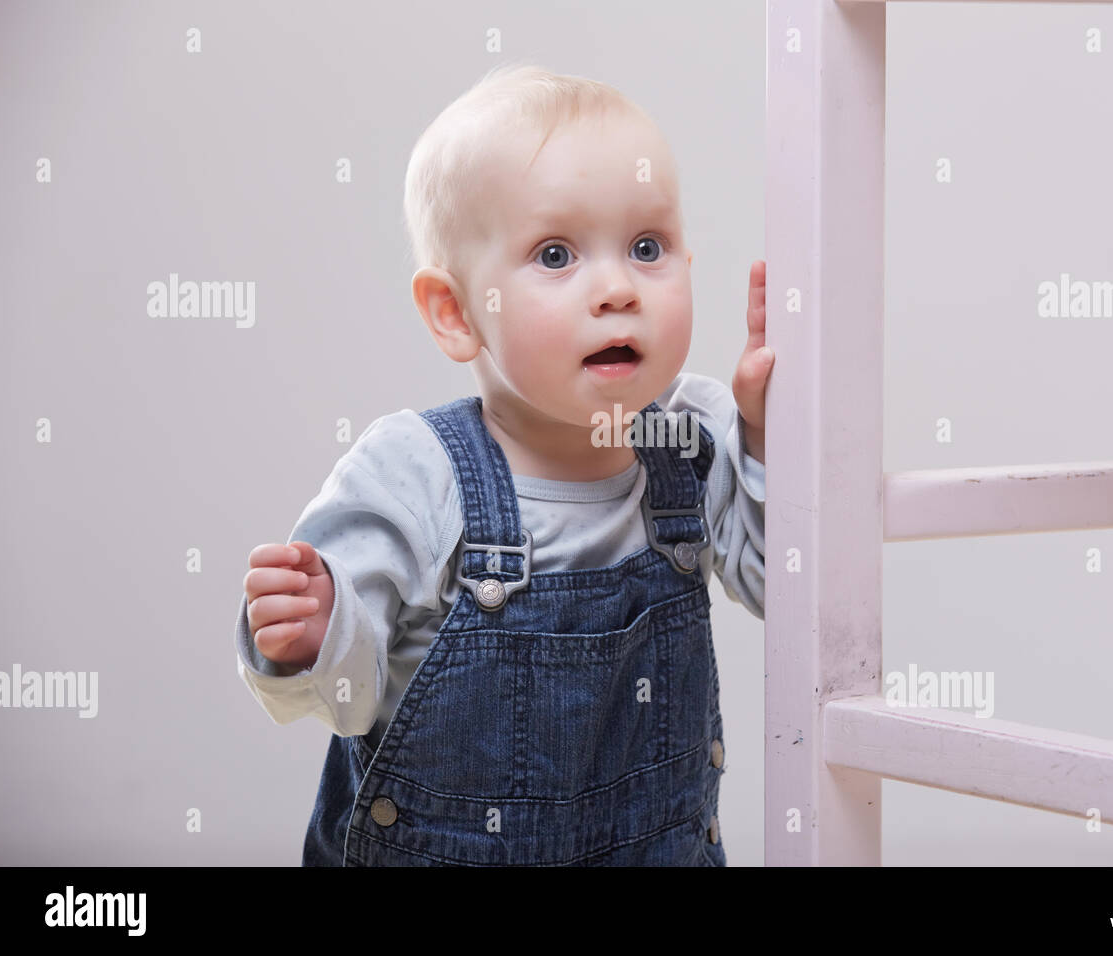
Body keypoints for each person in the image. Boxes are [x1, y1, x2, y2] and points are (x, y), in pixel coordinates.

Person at [233, 63, 774, 866]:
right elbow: (345, 703)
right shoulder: (419, 473)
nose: (618, 287)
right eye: (556, 255)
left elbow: (779, 587)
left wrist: (766, 437)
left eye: (647, 246)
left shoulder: (690, 438)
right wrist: (313, 636)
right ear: (455, 313)